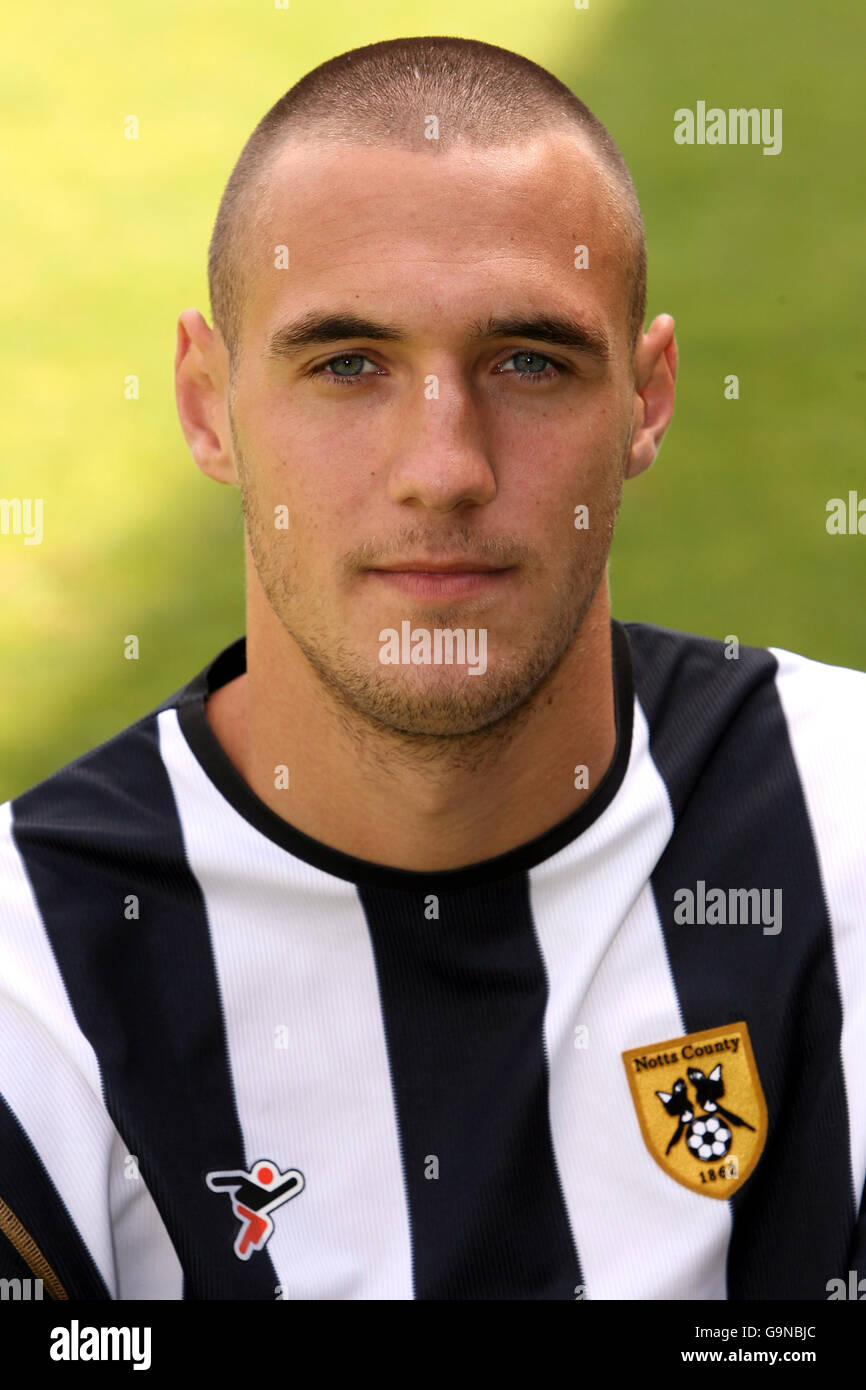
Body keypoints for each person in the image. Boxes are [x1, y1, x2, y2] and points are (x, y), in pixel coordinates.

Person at [1, 35, 863, 1302]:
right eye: (345, 365)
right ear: (208, 403)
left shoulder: (846, 822)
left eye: (529, 362)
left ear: (645, 399)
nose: (443, 467)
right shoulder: (32, 981)